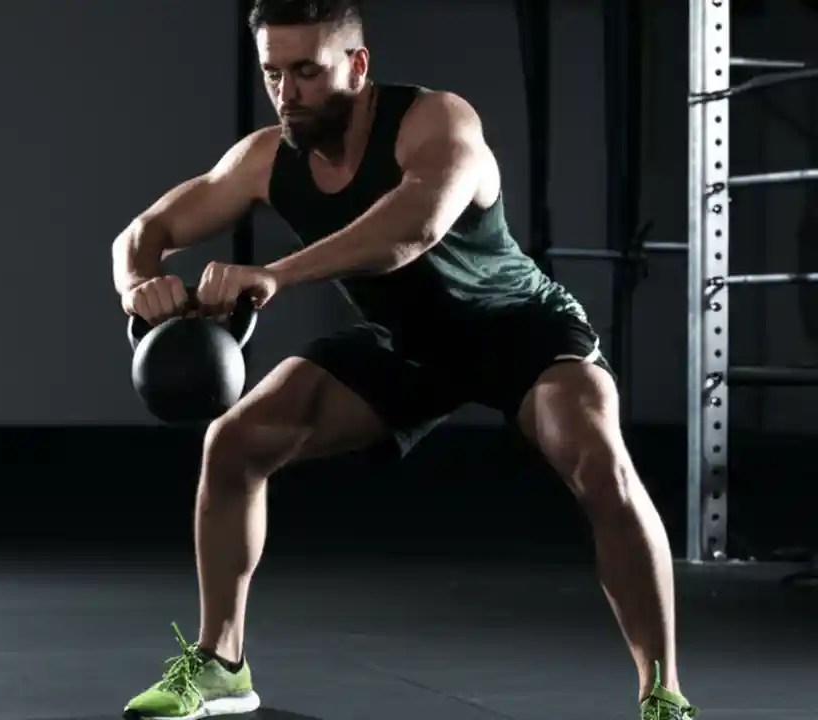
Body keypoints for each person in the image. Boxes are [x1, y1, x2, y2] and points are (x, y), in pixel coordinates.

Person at [110, 1, 699, 719]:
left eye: (306, 71)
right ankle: (222, 663)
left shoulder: (437, 122)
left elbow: (411, 230)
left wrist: (277, 274)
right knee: (233, 443)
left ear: (357, 66)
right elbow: (148, 229)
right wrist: (140, 286)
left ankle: (663, 694)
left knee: (599, 463)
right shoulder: (268, 158)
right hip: (406, 343)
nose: (287, 93)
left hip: (520, 330)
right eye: (273, 73)